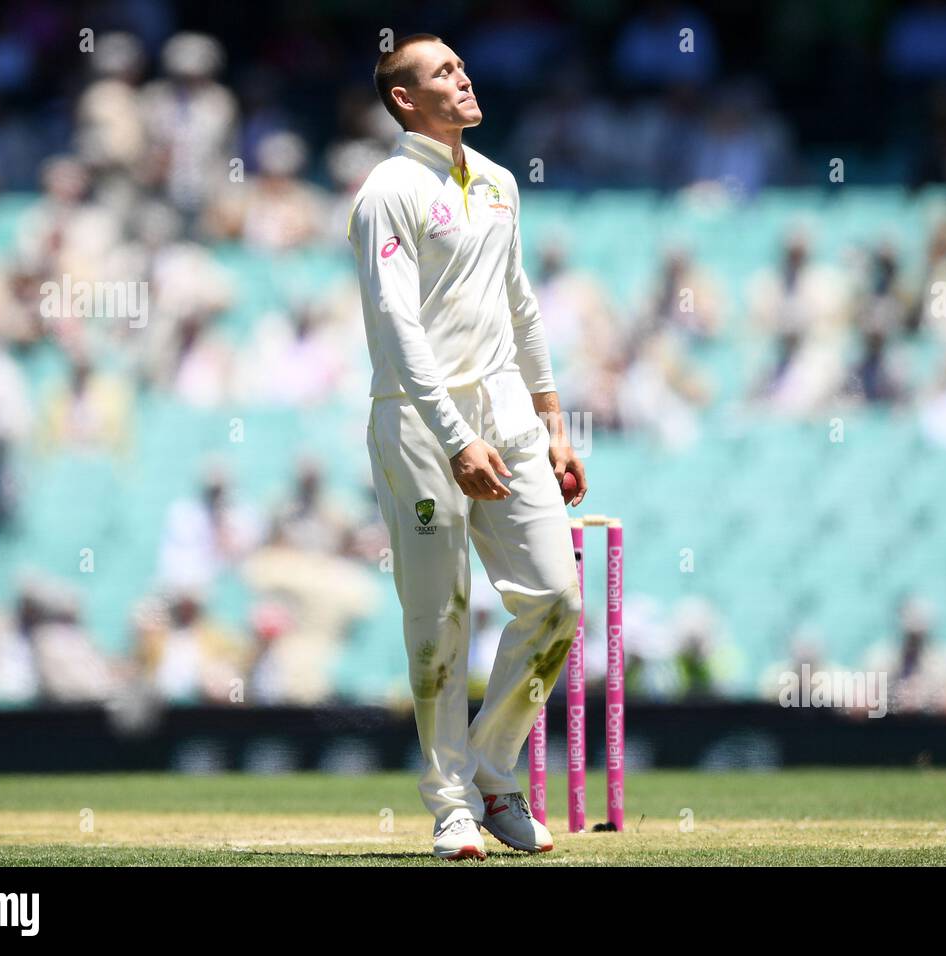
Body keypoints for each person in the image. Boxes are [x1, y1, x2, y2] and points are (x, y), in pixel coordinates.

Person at [348, 34, 586, 860]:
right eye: (442, 71)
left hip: (508, 415)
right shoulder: (390, 189)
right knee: (439, 617)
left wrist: (553, 423)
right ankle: (450, 803)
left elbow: (521, 306)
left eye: (461, 64)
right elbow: (397, 325)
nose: (464, 75)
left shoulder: (496, 182)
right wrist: (453, 439)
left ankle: (489, 770)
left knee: (558, 601)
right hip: (419, 424)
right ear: (405, 100)